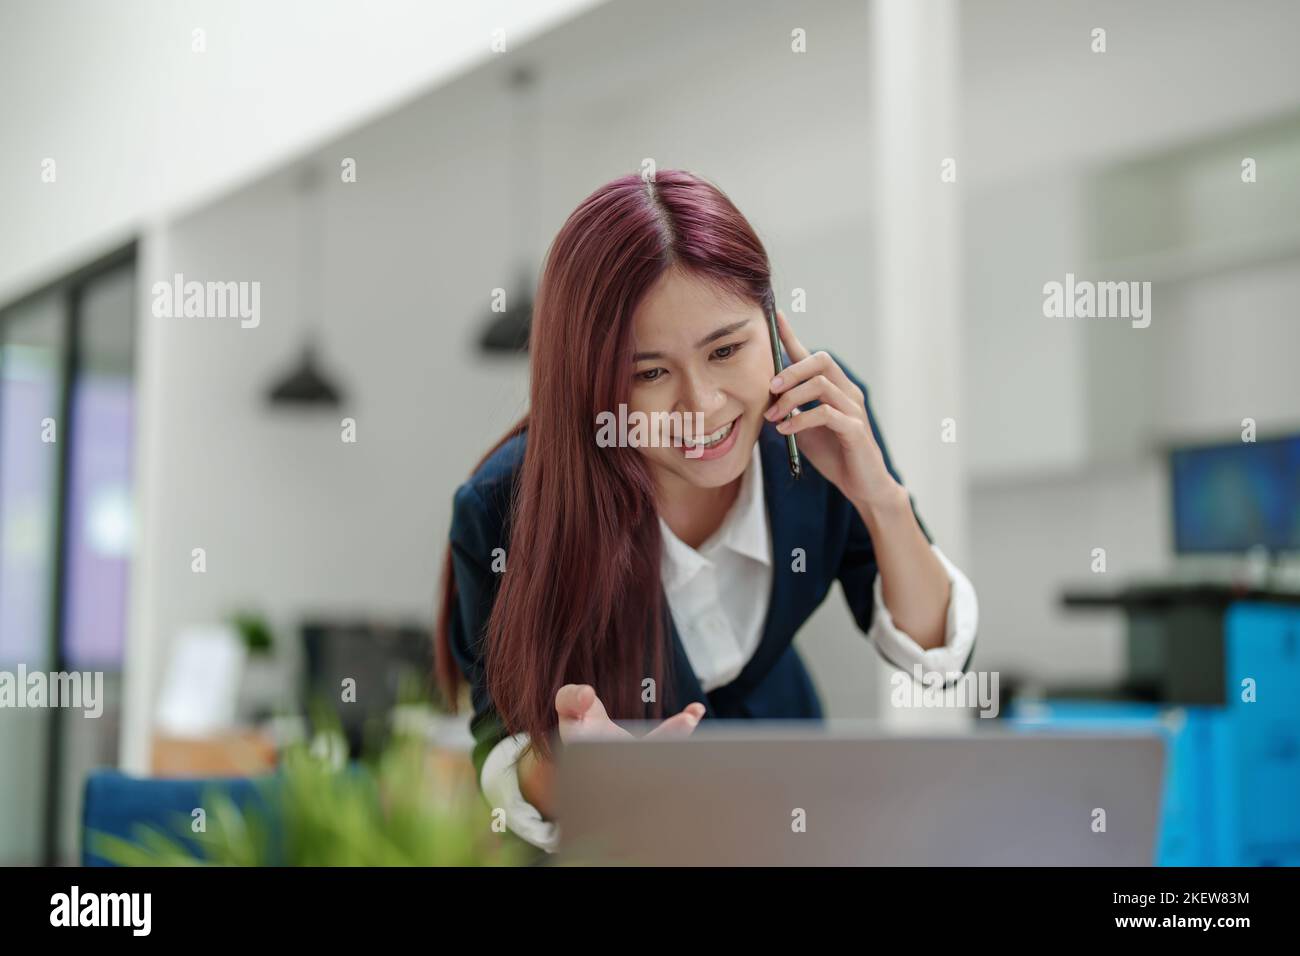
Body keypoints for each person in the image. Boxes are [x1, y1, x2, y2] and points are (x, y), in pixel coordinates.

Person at [434, 169, 977, 853]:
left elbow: (935, 659)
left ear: (774, 328)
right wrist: (583, 772)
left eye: (726, 350)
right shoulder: (503, 507)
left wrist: (881, 498)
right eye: (649, 372)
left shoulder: (821, 428)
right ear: (587, 380)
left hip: (796, 821)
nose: (703, 406)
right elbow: (501, 756)